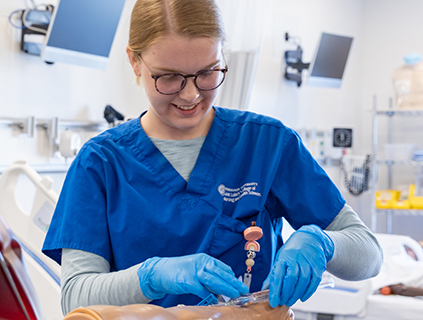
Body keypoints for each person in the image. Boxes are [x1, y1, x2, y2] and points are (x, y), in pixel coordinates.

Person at [42, 0, 382, 314]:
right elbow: (76, 297)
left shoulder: (267, 144)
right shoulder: (100, 163)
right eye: (169, 77)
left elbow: (368, 254)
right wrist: (152, 277)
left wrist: (324, 243)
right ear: (135, 61)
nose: (190, 95)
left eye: (208, 73)